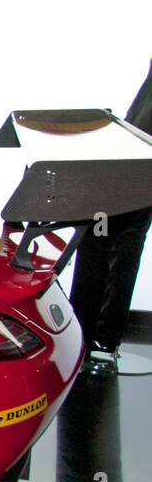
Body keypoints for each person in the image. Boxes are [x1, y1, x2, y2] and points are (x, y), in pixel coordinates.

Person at [68, 56, 152, 372]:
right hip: (134, 157)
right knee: (112, 238)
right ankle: (97, 343)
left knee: (108, 240)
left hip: (139, 166)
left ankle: (94, 343)